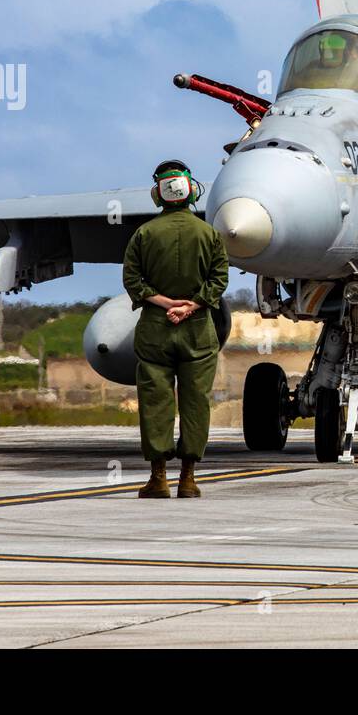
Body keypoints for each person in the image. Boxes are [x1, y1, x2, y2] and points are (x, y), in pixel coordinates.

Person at [122, 159, 229, 498]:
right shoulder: (209, 234)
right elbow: (220, 279)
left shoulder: (144, 234)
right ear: (192, 191)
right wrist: (191, 305)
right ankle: (188, 478)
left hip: (156, 329)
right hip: (198, 330)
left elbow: (131, 279)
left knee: (156, 402)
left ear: (158, 194)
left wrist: (166, 304)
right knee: (196, 402)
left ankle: (158, 478)